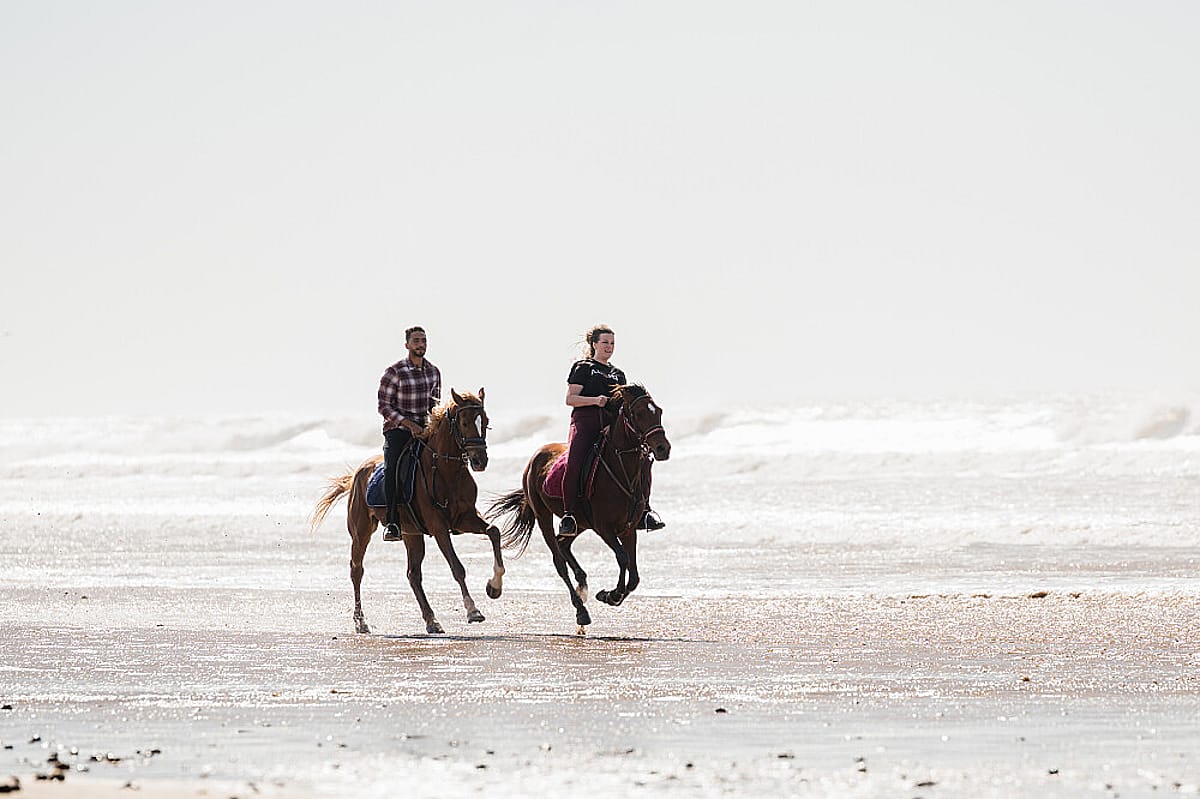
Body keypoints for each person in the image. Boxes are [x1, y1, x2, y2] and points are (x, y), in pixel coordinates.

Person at [559, 324, 664, 536]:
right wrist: (596, 401)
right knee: (575, 461)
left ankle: (644, 511)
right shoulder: (583, 367)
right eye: (605, 342)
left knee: (643, 460)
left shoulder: (619, 374)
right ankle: (569, 515)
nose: (609, 347)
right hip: (585, 422)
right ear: (594, 344)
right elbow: (570, 399)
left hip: (610, 426)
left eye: (612, 343)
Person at [377, 325, 441, 541]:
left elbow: (435, 406)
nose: (421, 344)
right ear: (407, 345)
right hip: (398, 431)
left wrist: (430, 427)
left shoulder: (434, 372)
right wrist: (409, 425)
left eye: (423, 340)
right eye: (416, 341)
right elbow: (384, 407)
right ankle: (393, 522)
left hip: (425, 430)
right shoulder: (394, 372)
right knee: (392, 468)